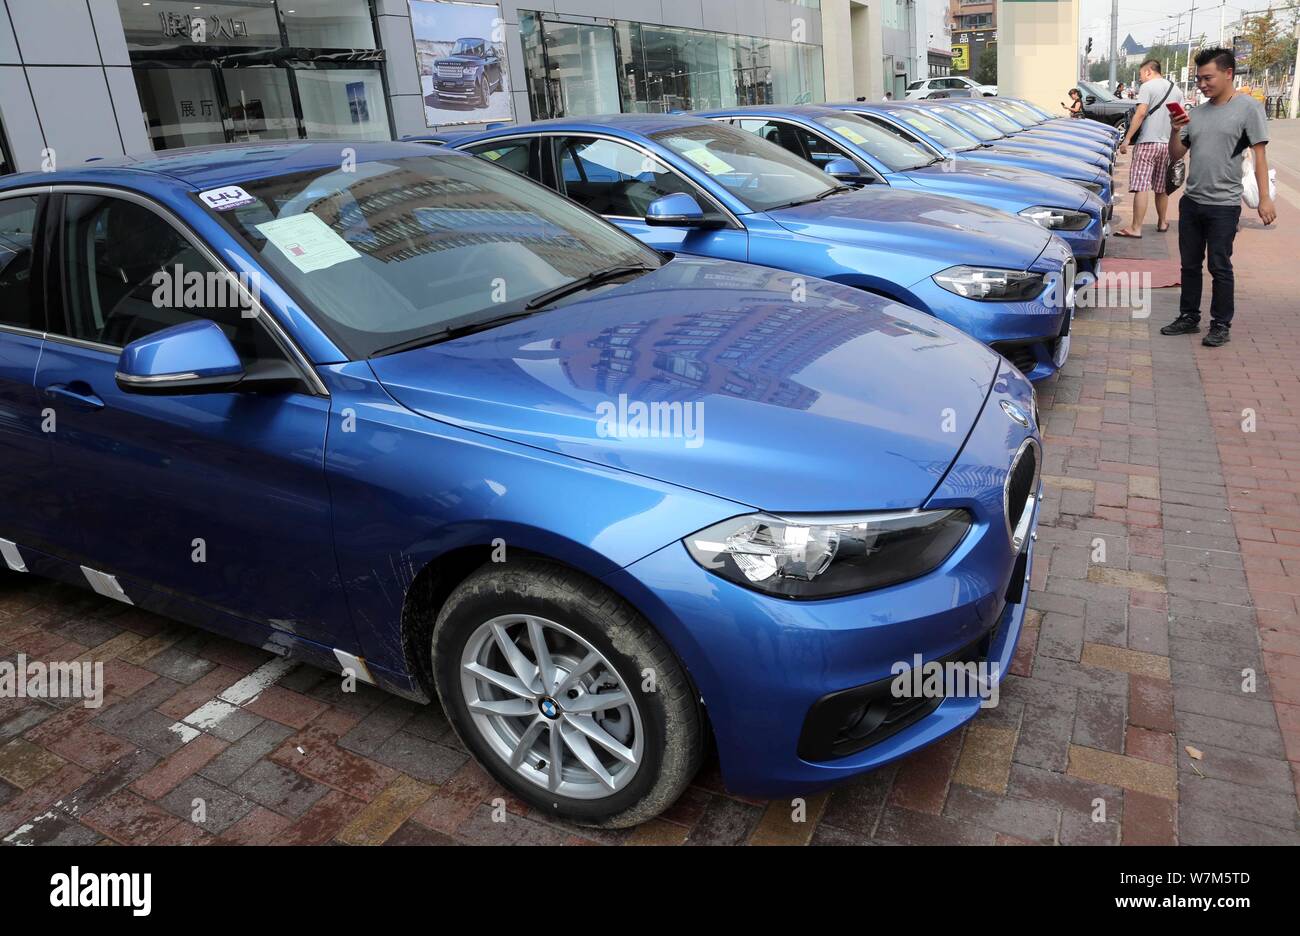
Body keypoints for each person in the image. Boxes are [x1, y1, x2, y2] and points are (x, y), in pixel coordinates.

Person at [1162, 47, 1276, 347]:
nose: (1202, 84)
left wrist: (1265, 198)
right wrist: (1176, 130)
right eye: (1198, 78)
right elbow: (1177, 154)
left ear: (1228, 73)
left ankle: (1221, 324)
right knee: (1189, 265)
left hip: (1224, 205)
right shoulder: (1196, 114)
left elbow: (1260, 156)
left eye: (1207, 77)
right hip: (1192, 202)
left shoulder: (1248, 109)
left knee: (1219, 265)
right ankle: (1188, 317)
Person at [1115, 59, 1183, 238]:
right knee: (1161, 187)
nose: (1141, 80)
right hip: (1167, 145)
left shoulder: (1148, 87)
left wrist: (1127, 139)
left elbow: (1141, 113)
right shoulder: (1176, 89)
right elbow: (1181, 118)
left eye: (1140, 75)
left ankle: (1136, 228)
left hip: (1146, 143)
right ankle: (1162, 222)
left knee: (1141, 186)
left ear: (1148, 72)